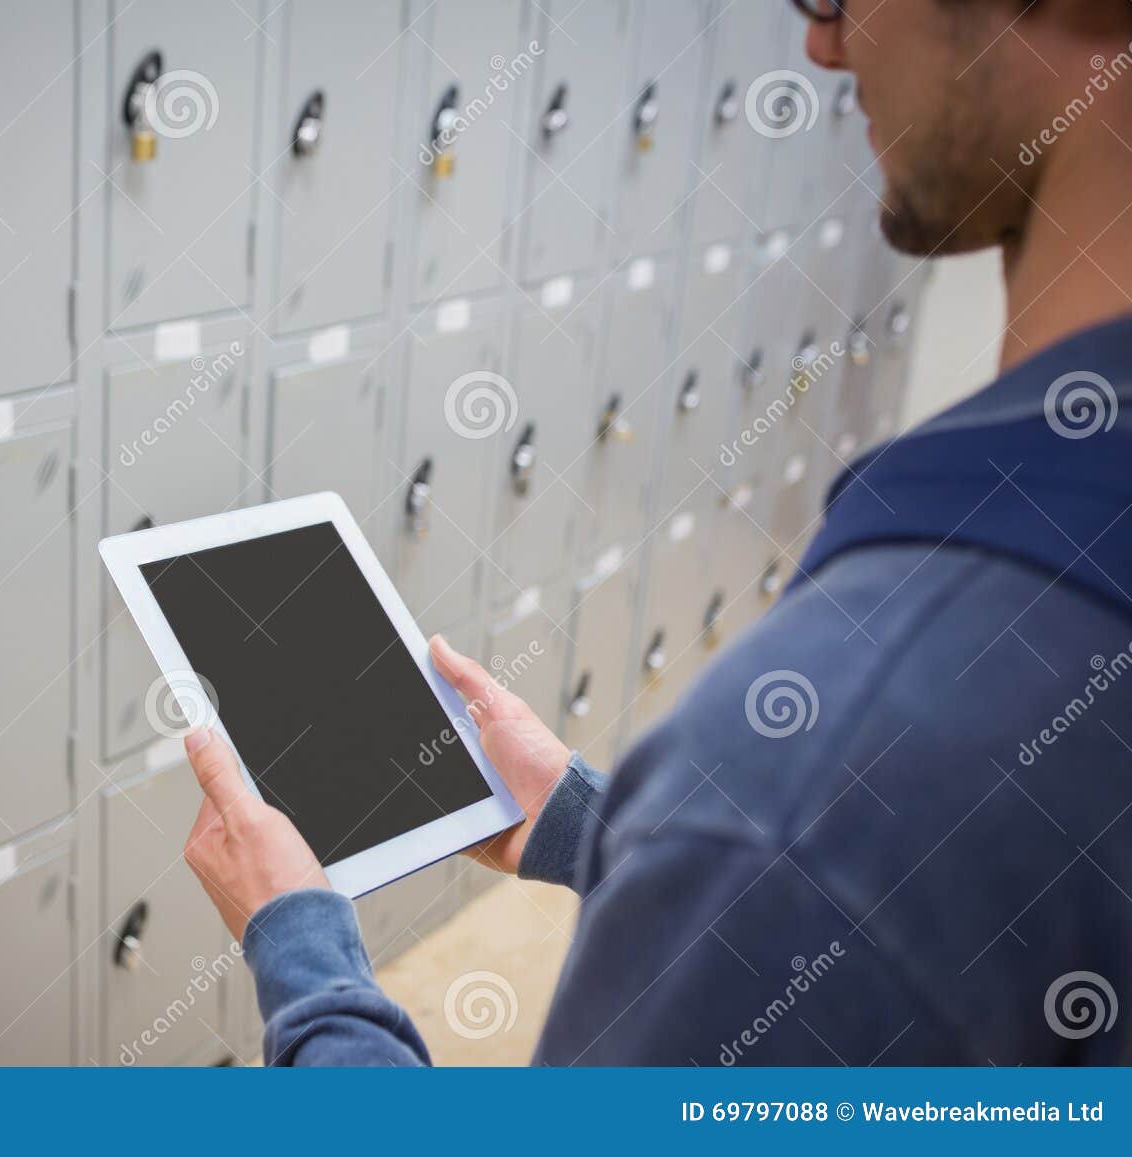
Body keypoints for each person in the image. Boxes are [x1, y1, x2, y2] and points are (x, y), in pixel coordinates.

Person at [180, 0, 1132, 1065]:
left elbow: (834, 876)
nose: (823, 44)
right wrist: (611, 828)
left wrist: (302, 951)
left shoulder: (844, 766)